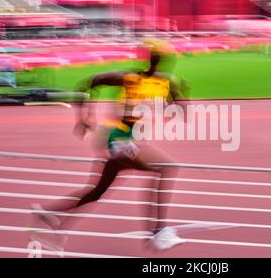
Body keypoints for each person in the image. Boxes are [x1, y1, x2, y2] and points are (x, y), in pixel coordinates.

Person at [29, 39, 190, 254]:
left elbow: (180, 112)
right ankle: (158, 231)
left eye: (161, 58)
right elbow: (86, 84)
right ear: (150, 58)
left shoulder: (167, 83)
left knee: (97, 192)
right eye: (155, 56)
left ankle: (49, 215)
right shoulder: (129, 78)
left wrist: (181, 98)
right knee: (166, 167)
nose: (157, 61)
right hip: (118, 139)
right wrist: (84, 117)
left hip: (133, 140)